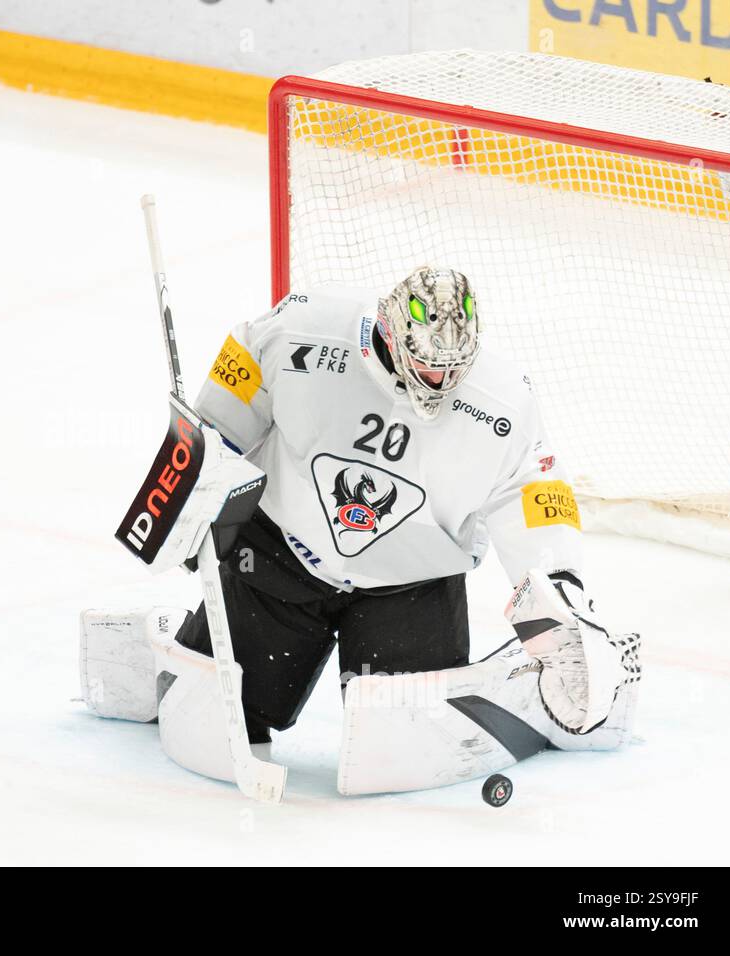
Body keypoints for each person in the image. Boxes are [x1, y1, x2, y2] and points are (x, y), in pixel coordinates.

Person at [81, 267, 639, 791]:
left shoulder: (504, 401)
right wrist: (203, 456)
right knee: (217, 719)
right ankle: (163, 647)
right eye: (427, 366)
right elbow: (239, 370)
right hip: (279, 560)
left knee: (404, 746)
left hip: (412, 585)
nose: (439, 380)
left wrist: (560, 584)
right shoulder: (300, 329)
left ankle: (533, 692)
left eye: (453, 368)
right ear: (393, 337)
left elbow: (537, 494)